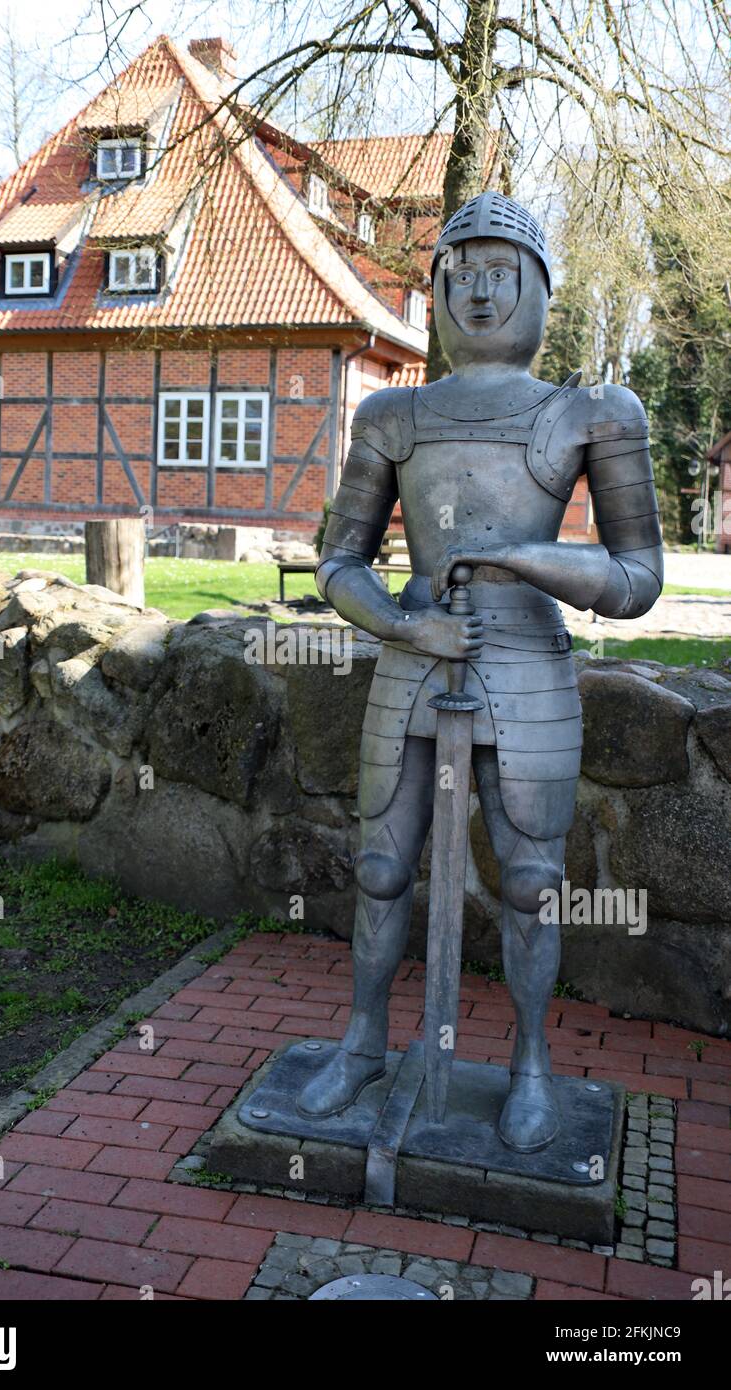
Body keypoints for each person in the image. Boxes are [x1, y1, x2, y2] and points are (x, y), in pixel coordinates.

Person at [298, 191, 663, 1152]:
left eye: (504, 270)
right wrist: (404, 629)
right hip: (416, 659)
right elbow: (339, 561)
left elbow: (636, 579)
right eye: (462, 272)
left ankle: (532, 1065)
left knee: (534, 882)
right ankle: (365, 1041)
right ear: (436, 288)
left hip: (529, 663)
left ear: (540, 285)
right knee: (381, 867)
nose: (482, 292)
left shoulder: (592, 413)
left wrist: (519, 560)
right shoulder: (391, 414)